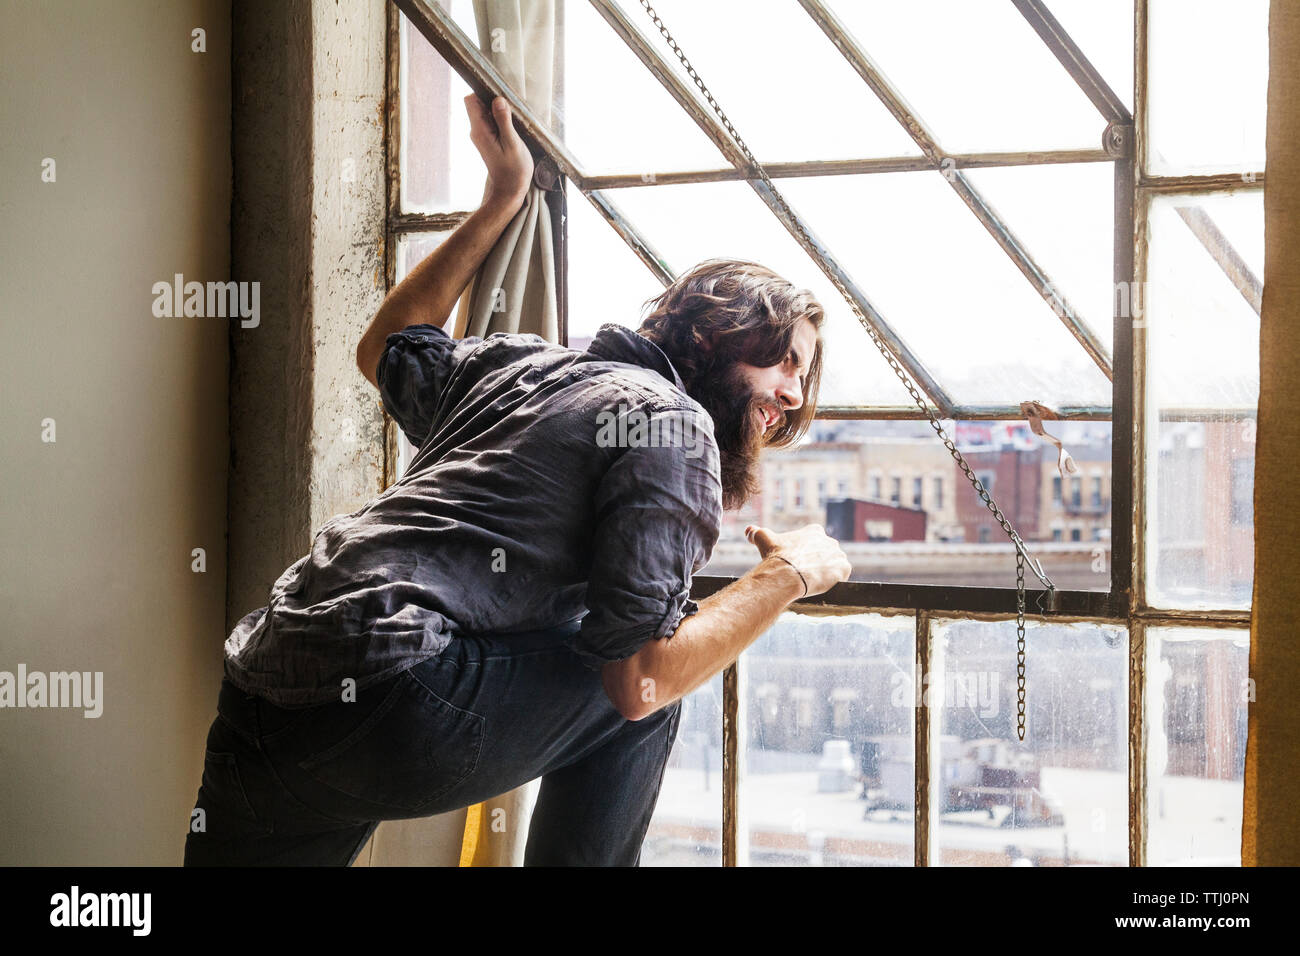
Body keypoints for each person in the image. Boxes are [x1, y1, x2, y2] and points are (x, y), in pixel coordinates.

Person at [183, 94, 852, 867]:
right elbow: (639, 683)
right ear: (709, 336)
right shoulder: (672, 425)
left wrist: (502, 197)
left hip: (266, 683)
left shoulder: (521, 367)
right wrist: (786, 575)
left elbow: (387, 344)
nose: (794, 395)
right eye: (785, 362)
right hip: (395, 696)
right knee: (645, 695)